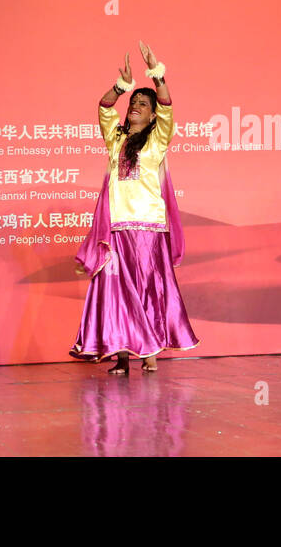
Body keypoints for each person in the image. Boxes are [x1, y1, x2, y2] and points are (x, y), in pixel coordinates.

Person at [71, 42, 199, 374]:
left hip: (148, 227)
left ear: (153, 114)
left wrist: (158, 76)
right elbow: (103, 106)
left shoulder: (158, 139)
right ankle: (123, 356)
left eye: (144, 104)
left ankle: (150, 353)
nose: (137, 107)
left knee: (149, 289)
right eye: (134, 103)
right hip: (116, 228)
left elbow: (168, 105)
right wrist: (121, 86)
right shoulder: (116, 138)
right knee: (118, 291)